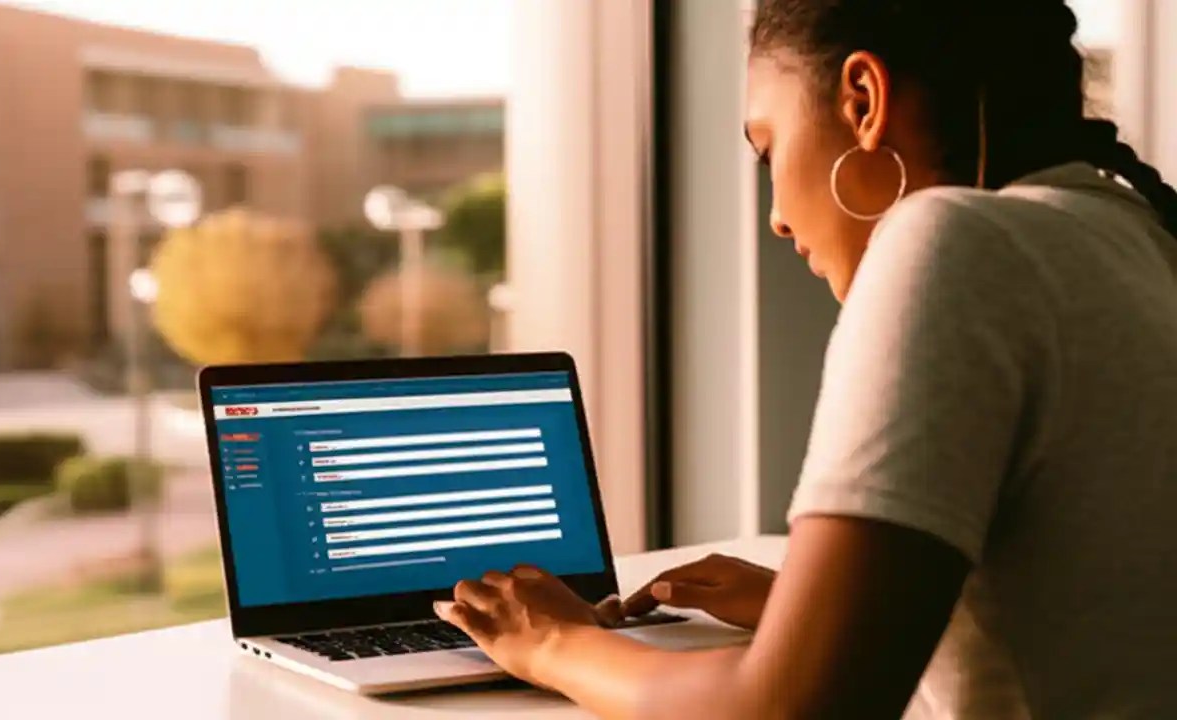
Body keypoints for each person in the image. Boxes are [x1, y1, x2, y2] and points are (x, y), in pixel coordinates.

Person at [432, 0, 1177, 717]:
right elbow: (1090, 600)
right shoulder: (1138, 238)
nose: (778, 218)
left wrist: (553, 644)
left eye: (768, 149)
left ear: (862, 99)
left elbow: (786, 710)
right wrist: (810, 607)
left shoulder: (952, 240)